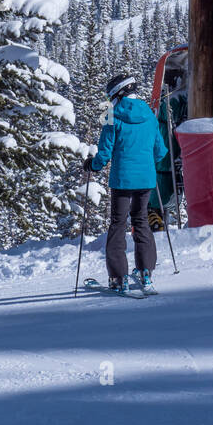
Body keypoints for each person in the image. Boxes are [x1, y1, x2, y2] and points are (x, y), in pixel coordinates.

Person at [87, 73, 167, 295]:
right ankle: (145, 273)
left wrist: (93, 165)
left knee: (118, 225)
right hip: (146, 179)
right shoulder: (150, 115)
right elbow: (160, 151)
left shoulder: (111, 115)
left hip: (122, 180)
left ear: (117, 93)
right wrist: (145, 163)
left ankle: (118, 278)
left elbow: (104, 152)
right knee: (141, 221)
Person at [149, 57, 189, 230]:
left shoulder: (167, 103)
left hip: (164, 156)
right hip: (173, 155)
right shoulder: (182, 100)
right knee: (164, 192)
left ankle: (155, 221)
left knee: (159, 195)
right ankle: (156, 220)